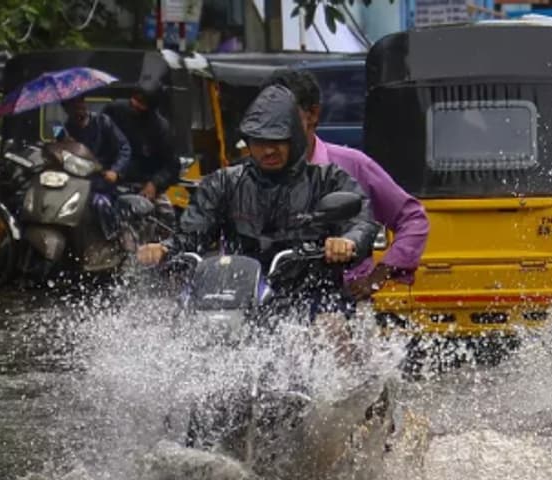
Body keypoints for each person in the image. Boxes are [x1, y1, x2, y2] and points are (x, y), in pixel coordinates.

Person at [135, 85, 379, 311]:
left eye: (277, 141)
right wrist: (165, 249)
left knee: (332, 329)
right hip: (236, 295)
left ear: (293, 138)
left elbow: (361, 221)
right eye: (260, 142)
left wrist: (347, 242)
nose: (268, 150)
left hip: (309, 297)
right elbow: (192, 233)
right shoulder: (224, 182)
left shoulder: (327, 180)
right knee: (180, 323)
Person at [264, 68, 429, 300]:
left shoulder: (353, 165)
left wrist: (377, 276)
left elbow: (413, 219)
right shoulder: (248, 174)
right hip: (269, 302)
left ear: (312, 114)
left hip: (341, 304)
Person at [57, 96, 132, 240]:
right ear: (66, 109)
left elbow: (124, 148)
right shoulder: (65, 129)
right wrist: (65, 144)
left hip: (103, 181)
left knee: (100, 205)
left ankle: (114, 240)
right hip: (77, 182)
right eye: (72, 106)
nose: (78, 107)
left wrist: (115, 170)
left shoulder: (103, 122)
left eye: (80, 103)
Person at [103, 79, 181, 203]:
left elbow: (172, 165)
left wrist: (155, 183)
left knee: (165, 212)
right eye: (134, 98)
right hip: (110, 177)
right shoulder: (115, 110)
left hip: (142, 184)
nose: (135, 104)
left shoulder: (160, 128)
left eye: (141, 102)